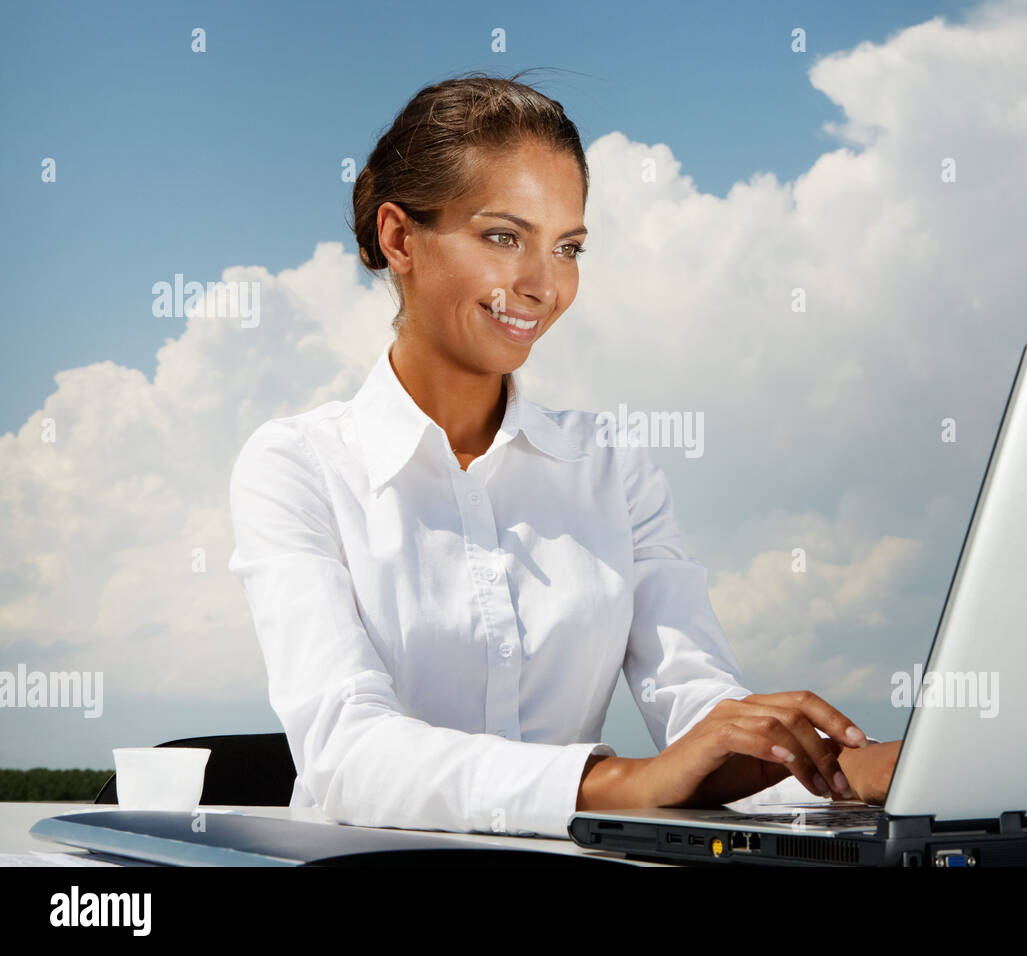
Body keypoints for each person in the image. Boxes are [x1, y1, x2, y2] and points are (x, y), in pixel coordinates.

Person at [227, 71, 901, 839]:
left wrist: (846, 770)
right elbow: (348, 754)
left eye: (568, 247)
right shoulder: (297, 467)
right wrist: (611, 782)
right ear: (399, 237)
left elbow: (698, 714)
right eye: (503, 236)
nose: (543, 285)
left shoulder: (613, 466)